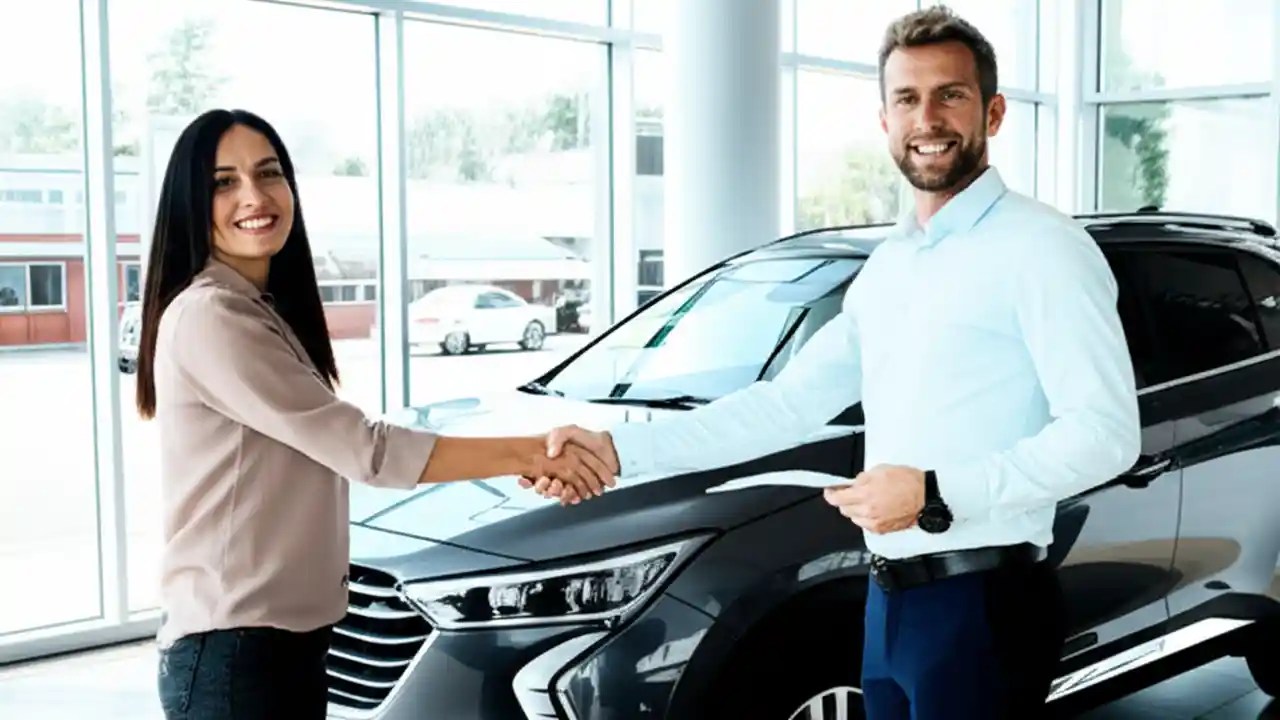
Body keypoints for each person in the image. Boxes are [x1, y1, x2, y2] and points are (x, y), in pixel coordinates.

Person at [524, 6, 1141, 719]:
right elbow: (785, 405)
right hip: (888, 602)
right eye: (907, 98)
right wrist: (616, 448)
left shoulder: (1044, 248)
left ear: (993, 112)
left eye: (951, 94)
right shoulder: (890, 266)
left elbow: (1105, 432)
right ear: (884, 120)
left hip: (984, 604)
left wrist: (937, 491)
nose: (927, 118)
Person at [134, 108, 613, 720]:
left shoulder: (256, 309)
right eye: (223, 182)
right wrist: (533, 450)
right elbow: (366, 450)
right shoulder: (212, 316)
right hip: (235, 655)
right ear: (190, 203)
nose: (254, 195)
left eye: (268, 172)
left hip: (273, 649)